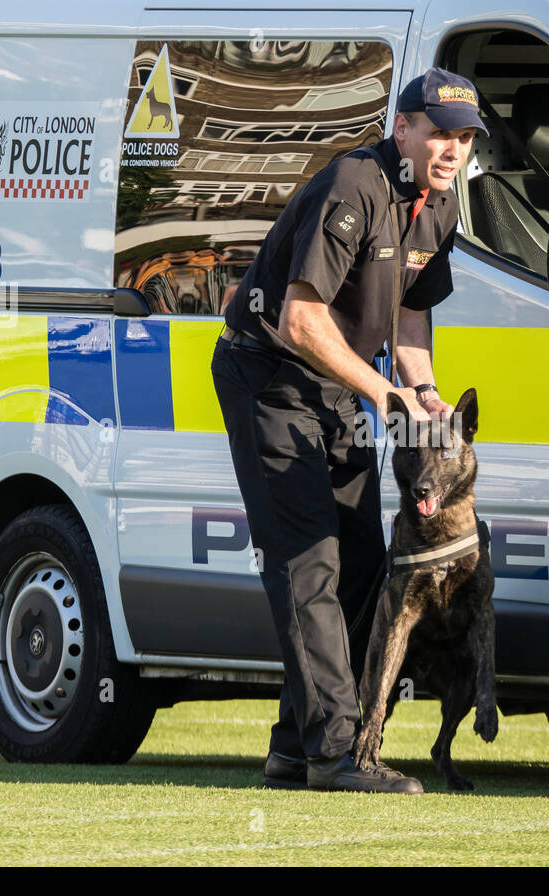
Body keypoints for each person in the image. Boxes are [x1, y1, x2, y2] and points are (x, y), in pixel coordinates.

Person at [210, 68, 486, 793]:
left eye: (462, 137)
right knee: (311, 561)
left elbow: (412, 314)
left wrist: (419, 390)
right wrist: (387, 393)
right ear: (403, 129)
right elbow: (302, 321)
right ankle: (337, 754)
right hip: (267, 374)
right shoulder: (354, 186)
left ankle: (294, 746)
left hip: (338, 382)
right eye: (439, 132)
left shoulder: (442, 203)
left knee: (366, 558)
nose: (452, 148)